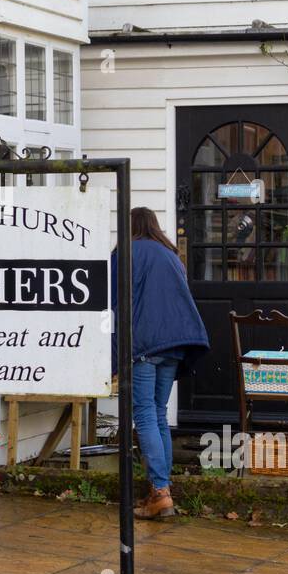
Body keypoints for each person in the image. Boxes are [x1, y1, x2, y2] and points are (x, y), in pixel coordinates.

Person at [112, 207, 209, 519]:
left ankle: (160, 491)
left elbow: (111, 299)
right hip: (175, 344)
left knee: (144, 415)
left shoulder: (127, 253)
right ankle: (163, 488)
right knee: (157, 413)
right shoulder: (170, 254)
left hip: (144, 345)